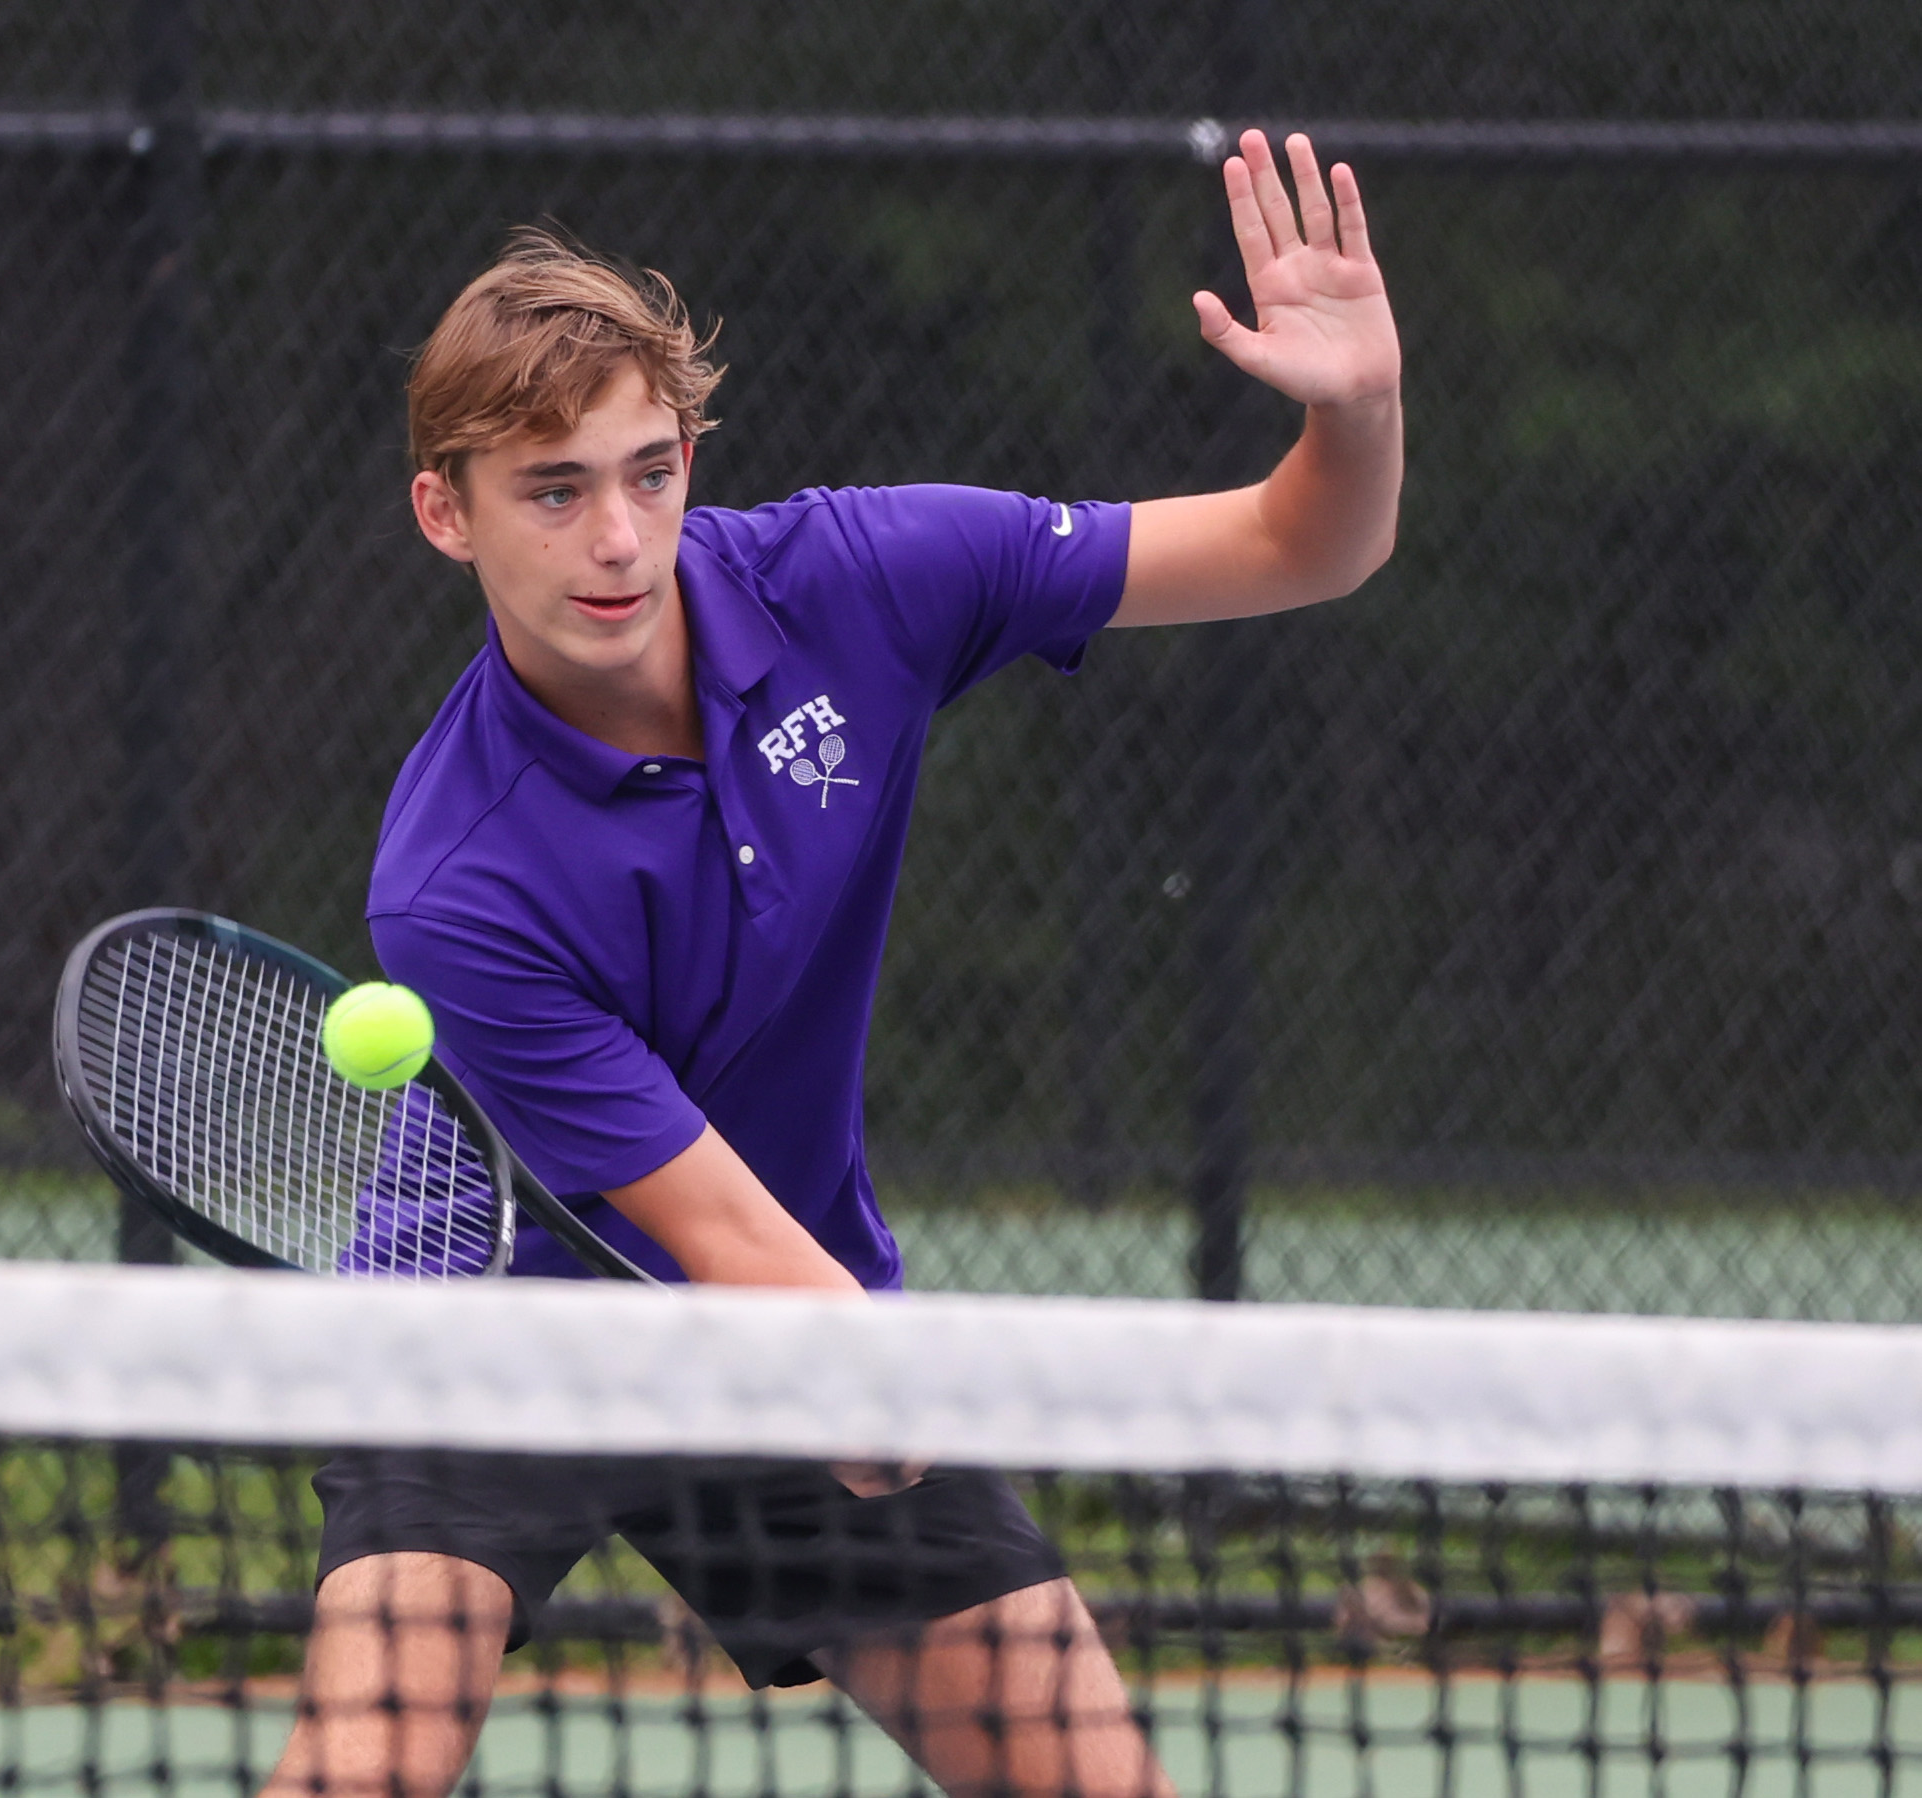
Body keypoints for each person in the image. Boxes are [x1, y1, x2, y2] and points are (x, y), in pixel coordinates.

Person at [267, 129, 1401, 1798]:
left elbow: (1305, 545)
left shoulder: (860, 582)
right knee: (363, 1770)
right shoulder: (458, 884)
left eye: (649, 471)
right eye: (552, 489)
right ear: (447, 511)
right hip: (493, 1331)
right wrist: (875, 1375)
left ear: (692, 459)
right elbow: (717, 1233)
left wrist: (1355, 410)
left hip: (787, 1295)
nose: (616, 537)